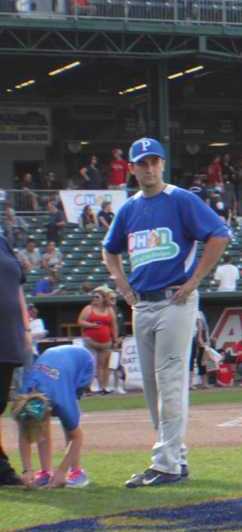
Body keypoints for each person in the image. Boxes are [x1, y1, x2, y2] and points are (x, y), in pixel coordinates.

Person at [103, 137, 230, 488]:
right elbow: (109, 249)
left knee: (170, 380)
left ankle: (166, 464)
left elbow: (219, 235)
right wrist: (122, 285)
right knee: (151, 386)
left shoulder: (180, 199)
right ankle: (175, 458)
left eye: (154, 161)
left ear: (162, 164)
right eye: (142, 163)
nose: (149, 168)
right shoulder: (129, 208)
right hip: (142, 303)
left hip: (175, 301)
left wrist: (195, 280)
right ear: (132, 168)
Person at [11, 345, 95, 489]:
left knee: (70, 427)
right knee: (38, 426)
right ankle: (45, 472)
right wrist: (27, 470)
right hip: (54, 363)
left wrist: (61, 471)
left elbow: (77, 437)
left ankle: (76, 471)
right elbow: (24, 432)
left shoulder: (62, 402)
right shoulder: (24, 397)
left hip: (82, 361)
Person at [0, 227, 29, 486]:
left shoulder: (3, 242)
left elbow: (18, 289)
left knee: (0, 402)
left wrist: (26, 328)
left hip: (7, 335)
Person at [77, 287, 117, 395]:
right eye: (94, 297)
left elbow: (114, 325)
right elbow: (80, 321)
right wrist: (92, 325)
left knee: (103, 366)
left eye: (97, 297)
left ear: (103, 298)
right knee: (91, 365)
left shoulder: (109, 309)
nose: (95, 299)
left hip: (105, 342)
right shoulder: (88, 308)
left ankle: (103, 387)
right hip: (90, 341)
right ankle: (87, 387)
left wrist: (115, 338)